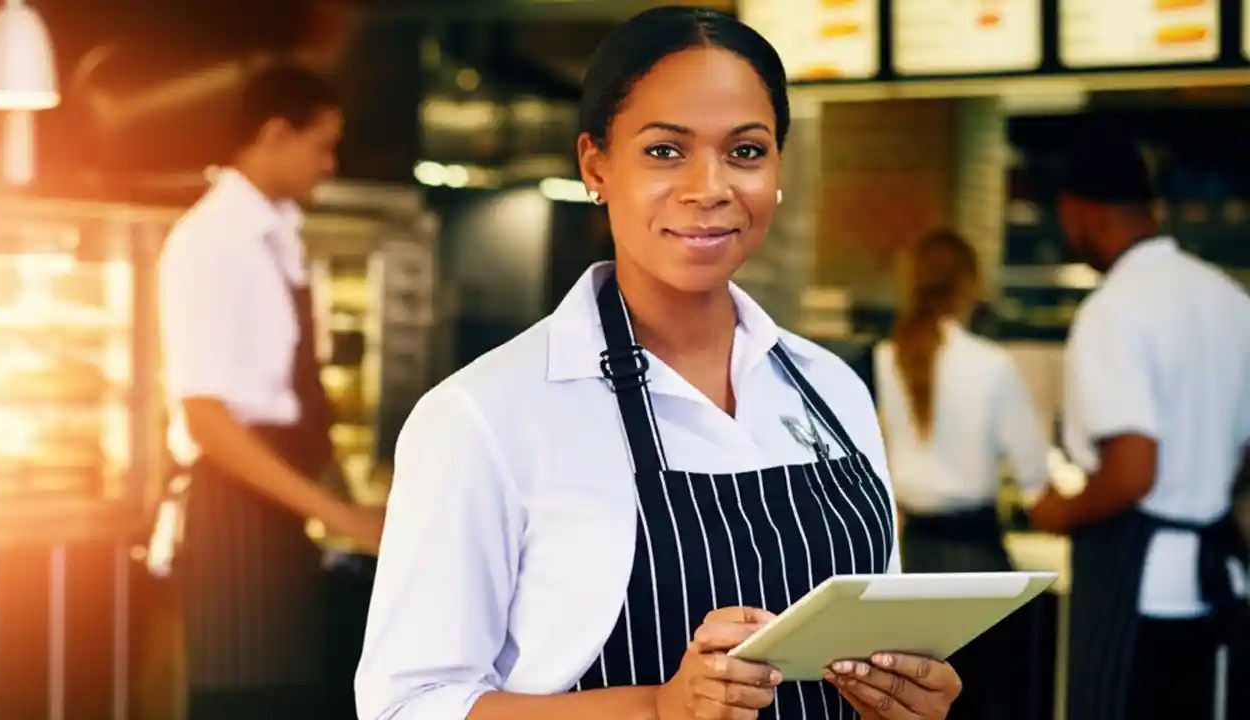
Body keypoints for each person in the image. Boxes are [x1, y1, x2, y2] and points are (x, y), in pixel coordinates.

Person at [356, 7, 962, 720]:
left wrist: (904, 700)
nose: (709, 187)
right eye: (665, 151)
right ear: (596, 166)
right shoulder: (485, 416)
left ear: (778, 169)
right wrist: (659, 708)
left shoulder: (832, 390)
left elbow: (873, 646)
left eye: (745, 151)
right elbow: (408, 705)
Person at [158, 61, 384, 719]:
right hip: (235, 510)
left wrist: (341, 500)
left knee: (291, 696)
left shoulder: (275, 236)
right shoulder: (210, 242)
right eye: (321, 145)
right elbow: (206, 421)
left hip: (283, 509)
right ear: (275, 134)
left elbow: (300, 395)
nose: (329, 165)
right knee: (246, 701)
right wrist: (341, 516)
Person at [1029, 129, 1250, 720]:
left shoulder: (1114, 309)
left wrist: (1059, 513)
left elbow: (1131, 472)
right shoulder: (1230, 299)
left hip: (1138, 586)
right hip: (1217, 582)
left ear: (1083, 212)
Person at [875, 230, 1050, 719]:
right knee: (982, 700)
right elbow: (1034, 473)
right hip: (977, 556)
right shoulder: (993, 364)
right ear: (971, 284)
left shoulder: (885, 357)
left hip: (909, 557)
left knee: (912, 702)